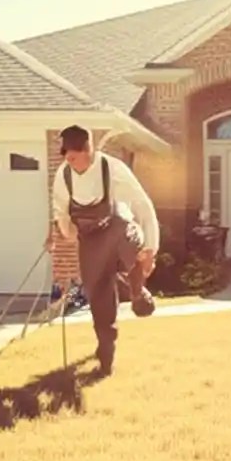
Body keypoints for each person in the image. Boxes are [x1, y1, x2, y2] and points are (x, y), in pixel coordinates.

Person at [46, 125, 159, 376]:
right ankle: (106, 352)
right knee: (98, 295)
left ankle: (138, 292)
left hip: (119, 229)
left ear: (89, 150)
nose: (69, 161)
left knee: (127, 232)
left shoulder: (113, 169)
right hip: (91, 240)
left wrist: (151, 248)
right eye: (66, 156)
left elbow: (142, 205)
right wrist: (63, 231)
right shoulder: (64, 175)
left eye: (74, 156)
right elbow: (60, 208)